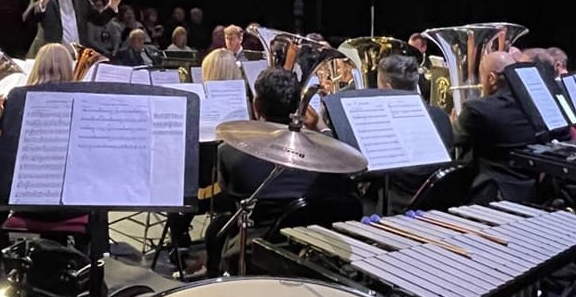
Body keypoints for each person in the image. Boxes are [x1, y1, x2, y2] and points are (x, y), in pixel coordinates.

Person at [206, 68, 355, 276]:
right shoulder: (330, 159)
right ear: (300, 109)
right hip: (313, 250)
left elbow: (228, 202)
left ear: (256, 106)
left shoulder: (230, 152)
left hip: (257, 253)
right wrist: (323, 130)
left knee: (216, 228)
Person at [453, 51, 540, 202]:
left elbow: (453, 139)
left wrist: (453, 122)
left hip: (491, 193)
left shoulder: (478, 109)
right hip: (533, 190)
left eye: (482, 77)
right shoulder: (535, 104)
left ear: (491, 78)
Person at [372, 54, 455, 213]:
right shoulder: (441, 116)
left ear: (388, 88)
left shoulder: (383, 123)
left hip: (398, 210)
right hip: (437, 204)